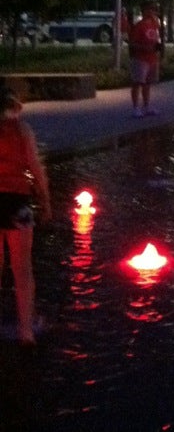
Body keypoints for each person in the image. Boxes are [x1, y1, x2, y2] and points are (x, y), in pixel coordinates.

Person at [0, 86, 52, 344]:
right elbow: (35, 167)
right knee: (23, 270)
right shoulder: (23, 131)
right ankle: (26, 331)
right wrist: (45, 200)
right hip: (18, 203)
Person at [128, 1, 162, 118]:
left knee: (147, 84)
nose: (153, 12)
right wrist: (144, 48)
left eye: (154, 9)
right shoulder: (139, 26)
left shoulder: (154, 24)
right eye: (150, 9)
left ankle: (146, 106)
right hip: (140, 59)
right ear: (144, 11)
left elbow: (157, 34)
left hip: (152, 58)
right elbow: (132, 44)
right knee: (137, 83)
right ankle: (135, 108)